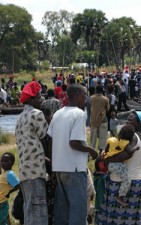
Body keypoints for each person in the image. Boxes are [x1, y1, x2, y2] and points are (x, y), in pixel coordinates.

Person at [47, 84, 98, 225]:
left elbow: (50, 140)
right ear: (76, 95)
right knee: (78, 211)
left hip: (59, 168)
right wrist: (91, 150)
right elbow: (74, 143)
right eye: (84, 95)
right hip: (74, 168)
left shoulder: (58, 113)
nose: (86, 98)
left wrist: (53, 165)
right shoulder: (79, 114)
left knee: (62, 211)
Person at [95, 111, 141, 225]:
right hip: (137, 182)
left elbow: (124, 156)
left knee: (115, 218)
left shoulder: (132, 136)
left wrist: (105, 160)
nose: (127, 122)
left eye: (130, 120)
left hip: (119, 182)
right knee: (131, 220)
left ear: (139, 124)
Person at [15, 81, 49, 225]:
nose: (41, 99)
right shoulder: (37, 114)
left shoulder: (20, 118)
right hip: (36, 171)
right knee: (39, 213)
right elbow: (46, 139)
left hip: (24, 172)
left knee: (29, 212)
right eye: (39, 96)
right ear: (31, 99)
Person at [104, 124, 137, 206]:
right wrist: (136, 148)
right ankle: (120, 196)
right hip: (117, 165)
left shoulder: (112, 140)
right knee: (127, 179)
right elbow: (129, 152)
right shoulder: (125, 143)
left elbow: (106, 150)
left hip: (109, 165)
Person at [0, 152, 20, 225]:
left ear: (12, 163)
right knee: (4, 219)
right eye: (2, 161)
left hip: (2, 201)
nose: (3, 163)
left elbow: (18, 185)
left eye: (6, 161)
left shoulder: (10, 174)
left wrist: (9, 192)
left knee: (1, 221)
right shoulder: (4, 173)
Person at [89, 85, 110, 153]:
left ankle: (91, 152)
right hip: (103, 119)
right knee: (103, 139)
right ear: (102, 90)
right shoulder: (105, 99)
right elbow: (108, 109)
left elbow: (90, 107)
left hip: (93, 120)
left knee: (93, 139)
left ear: (95, 90)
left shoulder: (91, 98)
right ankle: (101, 153)